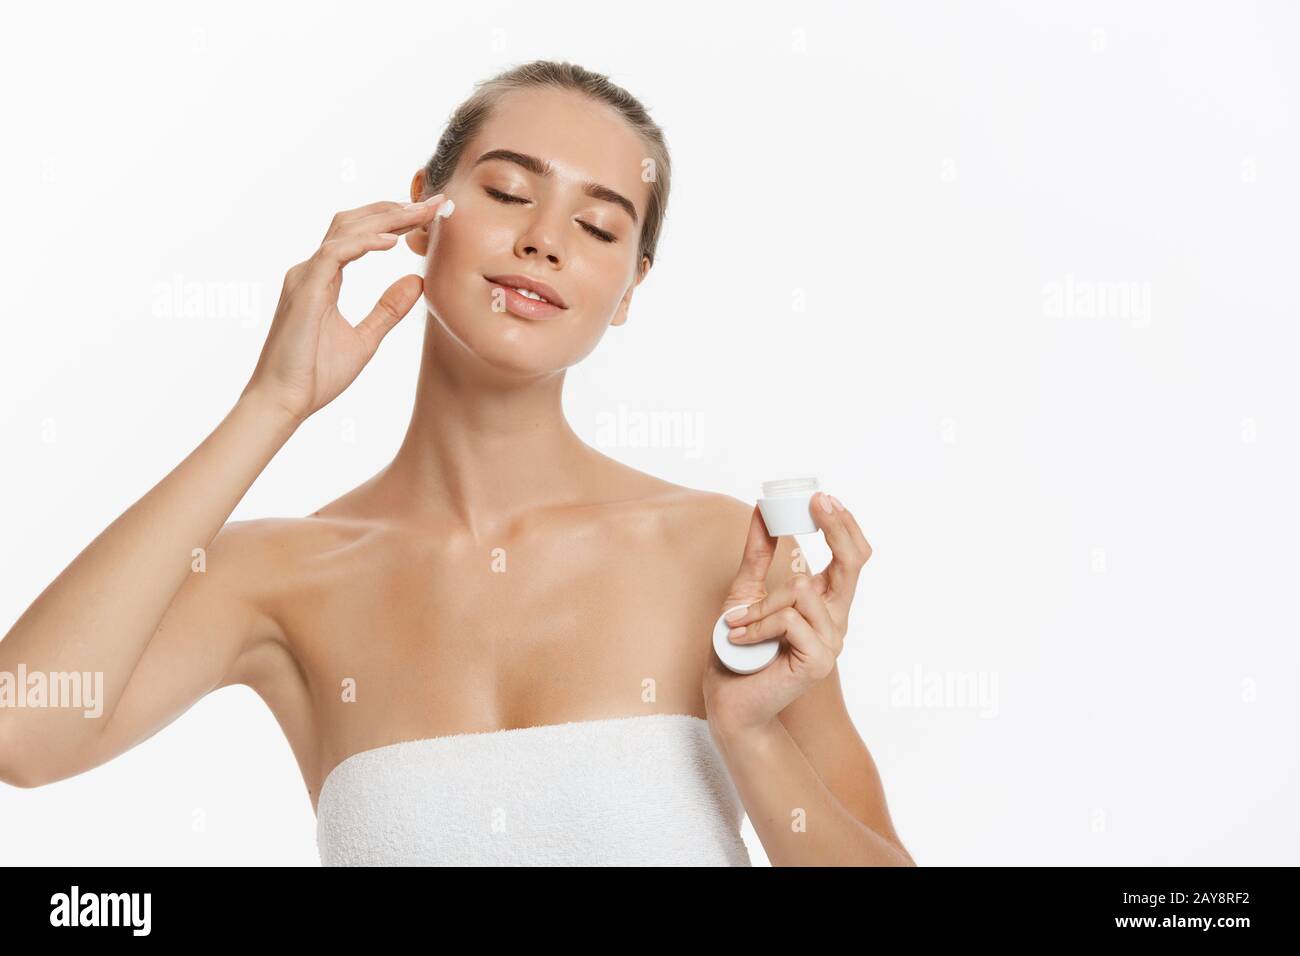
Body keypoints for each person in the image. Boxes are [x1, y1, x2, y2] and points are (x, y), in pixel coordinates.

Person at [0, 59, 912, 866]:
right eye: (510, 193)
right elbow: (20, 734)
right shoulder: (272, 576)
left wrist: (750, 738)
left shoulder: (725, 557)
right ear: (422, 217)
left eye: (598, 228)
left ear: (630, 288)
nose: (544, 240)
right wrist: (270, 407)